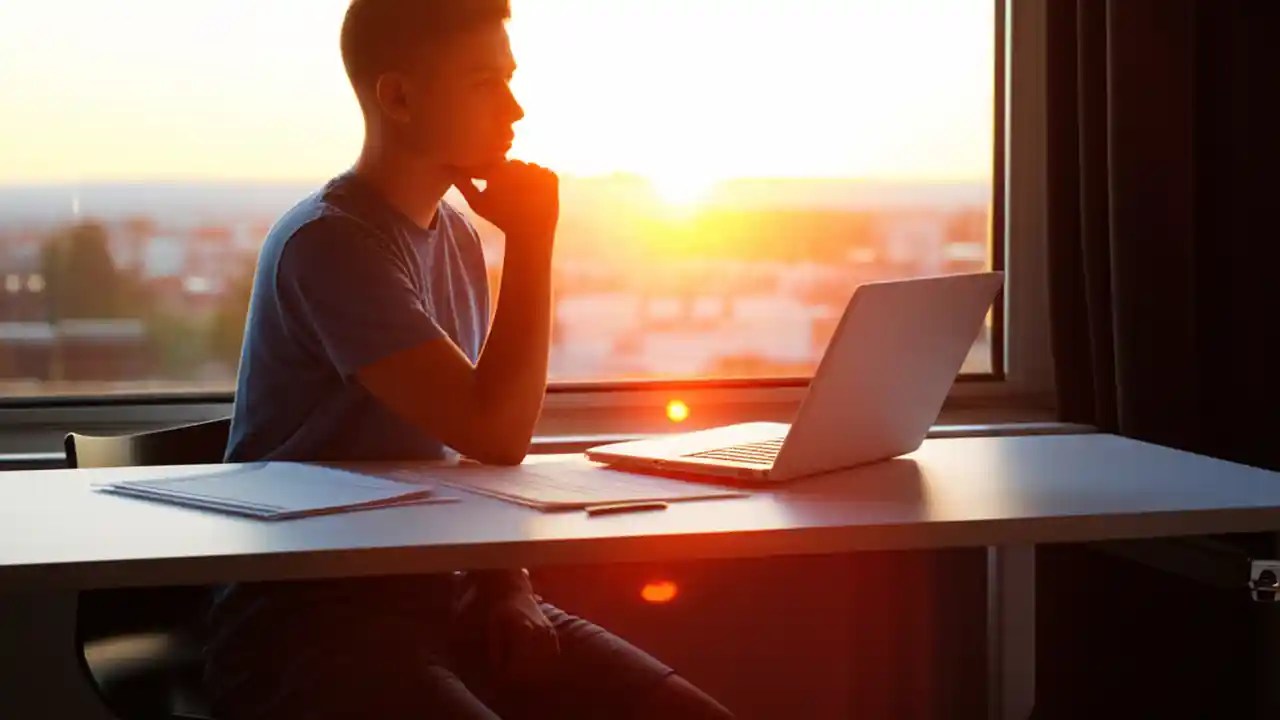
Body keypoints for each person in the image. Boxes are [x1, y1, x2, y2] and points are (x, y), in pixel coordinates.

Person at [202, 1, 733, 718]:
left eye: (509, 80)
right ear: (399, 98)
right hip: (313, 626)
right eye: (486, 83)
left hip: (445, 595)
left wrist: (508, 586)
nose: (515, 109)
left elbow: (476, 459)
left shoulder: (454, 236)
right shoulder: (331, 245)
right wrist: (533, 241)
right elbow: (498, 430)